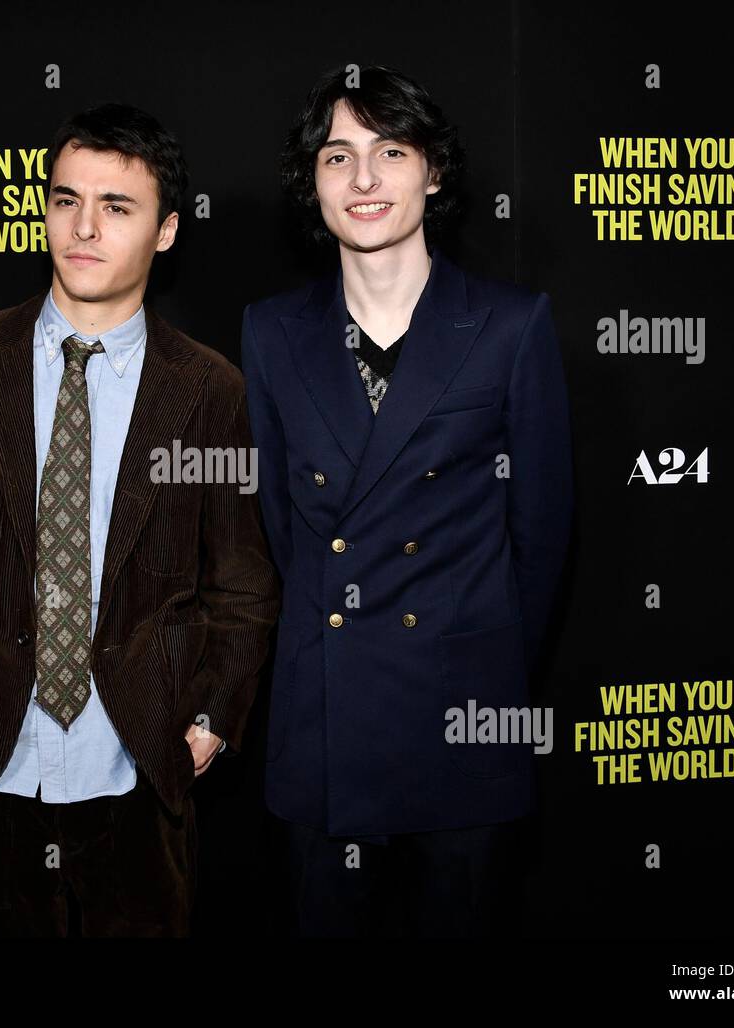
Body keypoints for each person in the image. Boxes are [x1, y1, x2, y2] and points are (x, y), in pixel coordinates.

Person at [0, 102, 280, 937]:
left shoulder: (209, 390)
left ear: (166, 231)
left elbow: (241, 584)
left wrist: (206, 722)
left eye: (116, 207)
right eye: (65, 200)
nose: (83, 227)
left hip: (138, 770)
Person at [241, 66, 574, 937]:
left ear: (432, 172)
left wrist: (484, 661)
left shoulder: (509, 325)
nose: (363, 179)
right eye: (336, 156)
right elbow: (278, 523)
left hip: (462, 722)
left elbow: (539, 539)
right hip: (326, 729)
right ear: (310, 185)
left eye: (391, 152)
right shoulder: (270, 331)